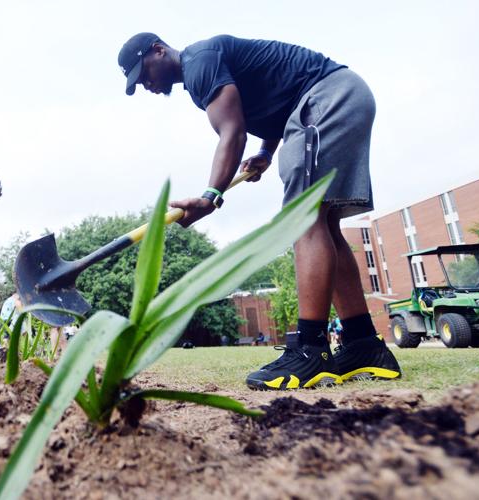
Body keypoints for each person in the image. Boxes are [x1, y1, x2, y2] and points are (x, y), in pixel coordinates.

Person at [118, 33, 401, 390]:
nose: (145, 84)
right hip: (331, 98)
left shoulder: (199, 62)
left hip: (326, 98)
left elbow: (233, 132)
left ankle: (310, 350)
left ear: (159, 50)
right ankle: (363, 345)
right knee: (323, 222)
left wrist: (211, 196)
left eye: (143, 73)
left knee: (302, 219)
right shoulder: (203, 68)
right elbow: (280, 106)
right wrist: (266, 153)